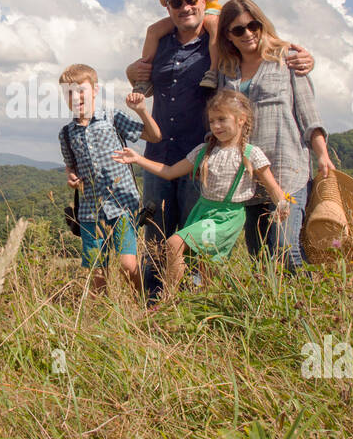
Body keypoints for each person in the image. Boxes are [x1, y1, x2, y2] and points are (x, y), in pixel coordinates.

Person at [125, 0, 315, 302]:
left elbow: (255, 52)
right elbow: (140, 77)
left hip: (206, 163)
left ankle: (196, 304)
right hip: (167, 156)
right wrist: (131, 73)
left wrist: (303, 56)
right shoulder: (167, 45)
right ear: (168, 7)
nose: (184, 7)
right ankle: (157, 308)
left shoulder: (217, 54)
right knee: (158, 237)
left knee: (202, 247)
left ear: (204, 4)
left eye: (191, 0)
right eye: (176, 2)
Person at [114, 90, 284, 307]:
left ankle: (169, 301)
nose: (216, 126)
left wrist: (282, 204)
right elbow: (169, 171)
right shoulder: (204, 151)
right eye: (212, 121)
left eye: (222, 119)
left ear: (241, 120)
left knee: (174, 243)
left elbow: (272, 185)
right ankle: (200, 306)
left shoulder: (251, 154)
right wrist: (138, 159)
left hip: (226, 216)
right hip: (202, 211)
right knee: (203, 268)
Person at [216, 0, 333, 271]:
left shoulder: (287, 61)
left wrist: (322, 155)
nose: (247, 33)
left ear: (262, 24)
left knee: (285, 248)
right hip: (248, 178)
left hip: (287, 170)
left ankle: (309, 307)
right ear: (228, 36)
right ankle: (275, 311)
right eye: (237, 30)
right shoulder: (227, 73)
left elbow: (309, 114)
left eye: (252, 25)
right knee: (260, 258)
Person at [58, 63, 161, 296]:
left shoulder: (113, 118)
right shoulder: (66, 133)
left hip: (122, 206)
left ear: (94, 90)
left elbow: (154, 136)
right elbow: (70, 165)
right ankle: (103, 314)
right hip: (89, 210)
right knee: (97, 271)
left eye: (81, 90)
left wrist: (142, 110)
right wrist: (71, 177)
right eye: (69, 93)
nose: (76, 97)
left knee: (127, 264)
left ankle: (143, 302)